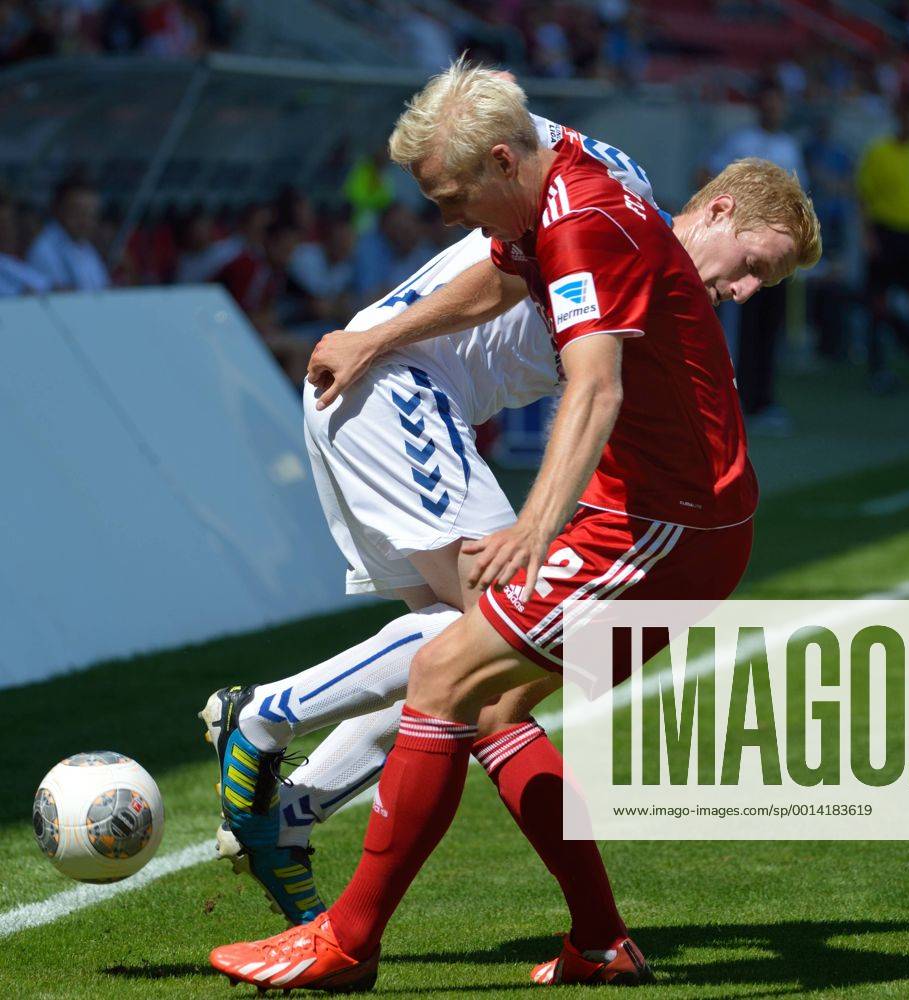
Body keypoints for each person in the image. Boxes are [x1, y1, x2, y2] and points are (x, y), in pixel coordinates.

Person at [208, 64, 820, 991]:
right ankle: (596, 942)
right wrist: (378, 338)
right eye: (757, 269)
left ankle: (326, 891)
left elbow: (596, 387)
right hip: (482, 435)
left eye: (457, 197)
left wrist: (537, 525)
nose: (747, 293)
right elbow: (507, 281)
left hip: (662, 527)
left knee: (452, 667)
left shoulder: (584, 209)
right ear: (724, 211)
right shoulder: (570, 182)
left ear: (504, 159)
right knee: (476, 686)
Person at [709, 81, 807, 432]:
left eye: (778, 103)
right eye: (768, 102)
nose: (773, 109)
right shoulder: (740, 143)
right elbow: (708, 178)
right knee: (740, 328)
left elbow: (799, 201)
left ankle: (761, 401)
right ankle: (732, 402)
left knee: (768, 328)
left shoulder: (789, 147)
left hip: (776, 257)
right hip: (743, 254)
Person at [855, 91, 909, 392]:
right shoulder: (878, 152)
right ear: (900, 117)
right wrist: (868, 237)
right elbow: (864, 198)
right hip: (885, 233)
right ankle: (878, 369)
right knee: (878, 303)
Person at [27, 175, 110, 292]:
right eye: (78, 212)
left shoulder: (87, 248)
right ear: (57, 209)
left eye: (90, 214)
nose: (85, 220)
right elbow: (60, 298)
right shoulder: (44, 249)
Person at [0, 194, 51, 296]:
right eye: (1, 226)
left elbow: (46, 285)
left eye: (10, 224)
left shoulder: (10, 262)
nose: (8, 232)